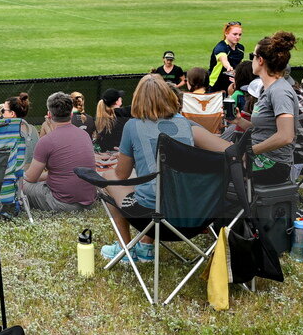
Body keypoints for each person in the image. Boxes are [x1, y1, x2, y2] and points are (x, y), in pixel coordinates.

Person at [99, 74, 231, 262]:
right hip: (194, 214)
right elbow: (230, 152)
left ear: (137, 98)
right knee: (159, 180)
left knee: (108, 177)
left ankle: (125, 250)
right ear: (169, 96)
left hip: (153, 217)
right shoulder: (186, 125)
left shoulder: (132, 126)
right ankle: (145, 246)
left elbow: (121, 175)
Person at [234, 32, 299, 185]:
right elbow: (265, 129)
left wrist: (250, 151)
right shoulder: (267, 89)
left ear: (260, 60)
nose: (252, 60)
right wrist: (239, 121)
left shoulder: (280, 92)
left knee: (216, 166)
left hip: (273, 164)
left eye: (253, 55)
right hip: (261, 157)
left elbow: (286, 136)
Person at [22, 92, 97, 212]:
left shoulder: (47, 141)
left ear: (49, 114)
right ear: (71, 113)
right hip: (89, 199)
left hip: (61, 202)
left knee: (21, 184)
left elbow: (30, 178)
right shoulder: (84, 135)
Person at [0, 92, 41, 160]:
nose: (2, 113)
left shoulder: (7, 131)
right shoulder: (33, 129)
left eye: (3, 110)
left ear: (12, 113)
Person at [208, 21, 245, 93]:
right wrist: (228, 67)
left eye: (240, 35)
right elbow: (223, 59)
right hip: (216, 84)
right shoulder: (221, 47)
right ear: (226, 33)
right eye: (235, 34)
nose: (238, 37)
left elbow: (239, 63)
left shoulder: (241, 48)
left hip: (231, 83)